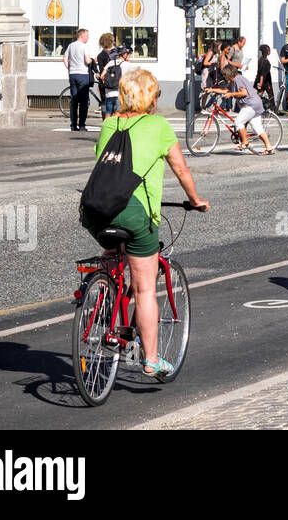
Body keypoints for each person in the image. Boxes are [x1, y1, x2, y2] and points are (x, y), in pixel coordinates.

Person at [82, 68, 209, 378]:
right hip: (135, 212)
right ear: (152, 98)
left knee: (114, 249)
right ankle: (151, 359)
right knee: (144, 289)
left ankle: (104, 289)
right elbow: (181, 170)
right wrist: (195, 201)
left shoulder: (110, 123)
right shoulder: (158, 125)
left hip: (95, 210)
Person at [204, 64, 275, 154]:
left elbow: (244, 93)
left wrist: (231, 94)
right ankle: (269, 148)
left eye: (224, 75)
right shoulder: (233, 82)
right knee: (258, 128)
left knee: (238, 122)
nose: (224, 77)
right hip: (255, 104)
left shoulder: (238, 79)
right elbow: (225, 90)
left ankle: (245, 142)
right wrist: (212, 90)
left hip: (250, 104)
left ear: (229, 74)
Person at [63, 28, 94, 132]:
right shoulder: (84, 46)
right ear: (82, 36)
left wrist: (69, 67)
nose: (88, 38)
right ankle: (81, 125)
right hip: (82, 74)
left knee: (74, 101)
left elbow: (65, 58)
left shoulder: (71, 46)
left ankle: (73, 125)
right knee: (84, 101)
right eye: (87, 36)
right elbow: (87, 60)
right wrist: (91, 60)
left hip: (72, 74)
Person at [95, 33, 117, 118]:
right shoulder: (117, 53)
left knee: (104, 102)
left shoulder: (101, 55)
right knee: (117, 102)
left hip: (106, 82)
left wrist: (98, 76)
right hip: (117, 81)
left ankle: (106, 122)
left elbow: (101, 71)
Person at [254, 44, 276, 111]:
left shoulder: (261, 59)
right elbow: (262, 74)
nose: (270, 51)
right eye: (269, 50)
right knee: (261, 94)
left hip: (265, 80)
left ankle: (273, 108)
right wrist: (260, 83)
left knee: (270, 94)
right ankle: (254, 107)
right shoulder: (264, 61)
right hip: (264, 80)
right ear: (267, 51)